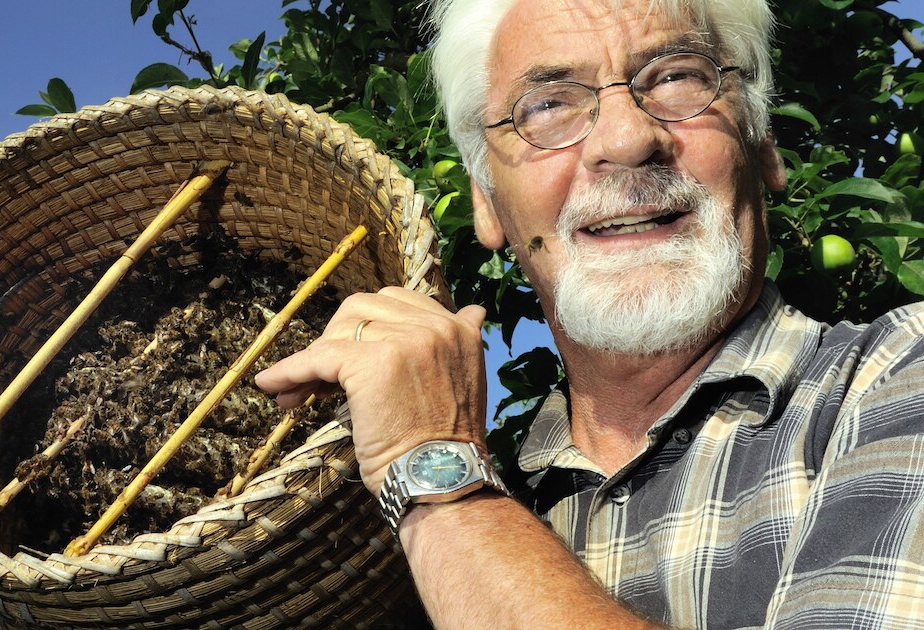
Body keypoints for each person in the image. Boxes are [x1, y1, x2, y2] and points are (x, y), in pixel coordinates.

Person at [256, 0, 924, 627]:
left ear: (764, 145)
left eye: (677, 77)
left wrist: (433, 471)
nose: (629, 139)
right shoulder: (497, 501)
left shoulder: (898, 374)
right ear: (485, 201)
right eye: (547, 105)